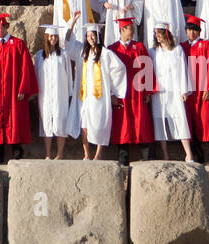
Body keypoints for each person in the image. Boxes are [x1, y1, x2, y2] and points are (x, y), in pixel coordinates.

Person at [0, 13, 37, 164]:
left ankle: (16, 152)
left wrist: (22, 88)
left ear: (6, 27)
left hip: (13, 91)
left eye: (0, 28)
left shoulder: (18, 44)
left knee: (14, 120)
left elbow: (25, 68)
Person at [78, 22, 129, 161]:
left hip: (101, 95)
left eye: (93, 35)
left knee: (100, 123)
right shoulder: (85, 53)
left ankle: (98, 154)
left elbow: (120, 68)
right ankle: (87, 154)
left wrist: (114, 92)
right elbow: (69, 45)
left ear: (98, 36)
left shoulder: (106, 53)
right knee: (85, 125)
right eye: (88, 36)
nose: (91, 38)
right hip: (87, 95)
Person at [106, 16, 152, 164]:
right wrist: (112, 94)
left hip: (137, 92)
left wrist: (147, 91)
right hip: (121, 93)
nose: (132, 31)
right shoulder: (112, 49)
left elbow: (147, 68)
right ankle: (123, 159)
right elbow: (108, 74)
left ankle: (147, 157)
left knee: (141, 122)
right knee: (123, 125)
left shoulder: (139, 47)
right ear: (122, 30)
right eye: (130, 29)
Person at [149, 24, 194, 161]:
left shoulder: (177, 50)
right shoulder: (153, 51)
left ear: (165, 34)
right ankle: (165, 155)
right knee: (160, 121)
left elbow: (183, 69)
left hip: (174, 90)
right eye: (155, 33)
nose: (157, 36)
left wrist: (183, 90)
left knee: (180, 119)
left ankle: (188, 154)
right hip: (160, 92)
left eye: (159, 33)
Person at [182, 16, 209, 164]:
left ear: (199, 31)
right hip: (190, 92)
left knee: (206, 123)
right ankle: (197, 158)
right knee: (192, 123)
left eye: (194, 30)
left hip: (204, 90)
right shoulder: (183, 47)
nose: (191, 32)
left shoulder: (206, 45)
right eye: (189, 29)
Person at [34, 23, 76, 159]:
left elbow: (69, 74)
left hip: (60, 94)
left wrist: (70, 93)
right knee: (46, 123)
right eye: (50, 36)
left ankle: (59, 154)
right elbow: (35, 74)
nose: (53, 38)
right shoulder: (39, 56)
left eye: (55, 36)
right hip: (44, 95)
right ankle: (47, 154)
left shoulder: (63, 54)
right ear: (46, 37)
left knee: (60, 122)